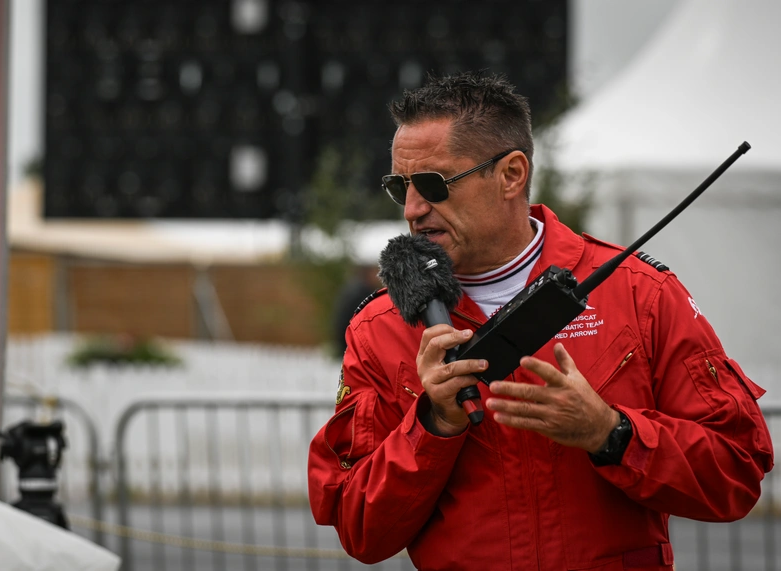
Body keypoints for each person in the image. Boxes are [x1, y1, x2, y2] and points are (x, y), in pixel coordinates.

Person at [307, 72, 774, 571]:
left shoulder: (640, 293)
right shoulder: (380, 327)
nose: (414, 209)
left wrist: (611, 434)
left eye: (432, 184)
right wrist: (434, 425)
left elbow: (738, 469)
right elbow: (357, 527)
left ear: (511, 174)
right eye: (399, 187)